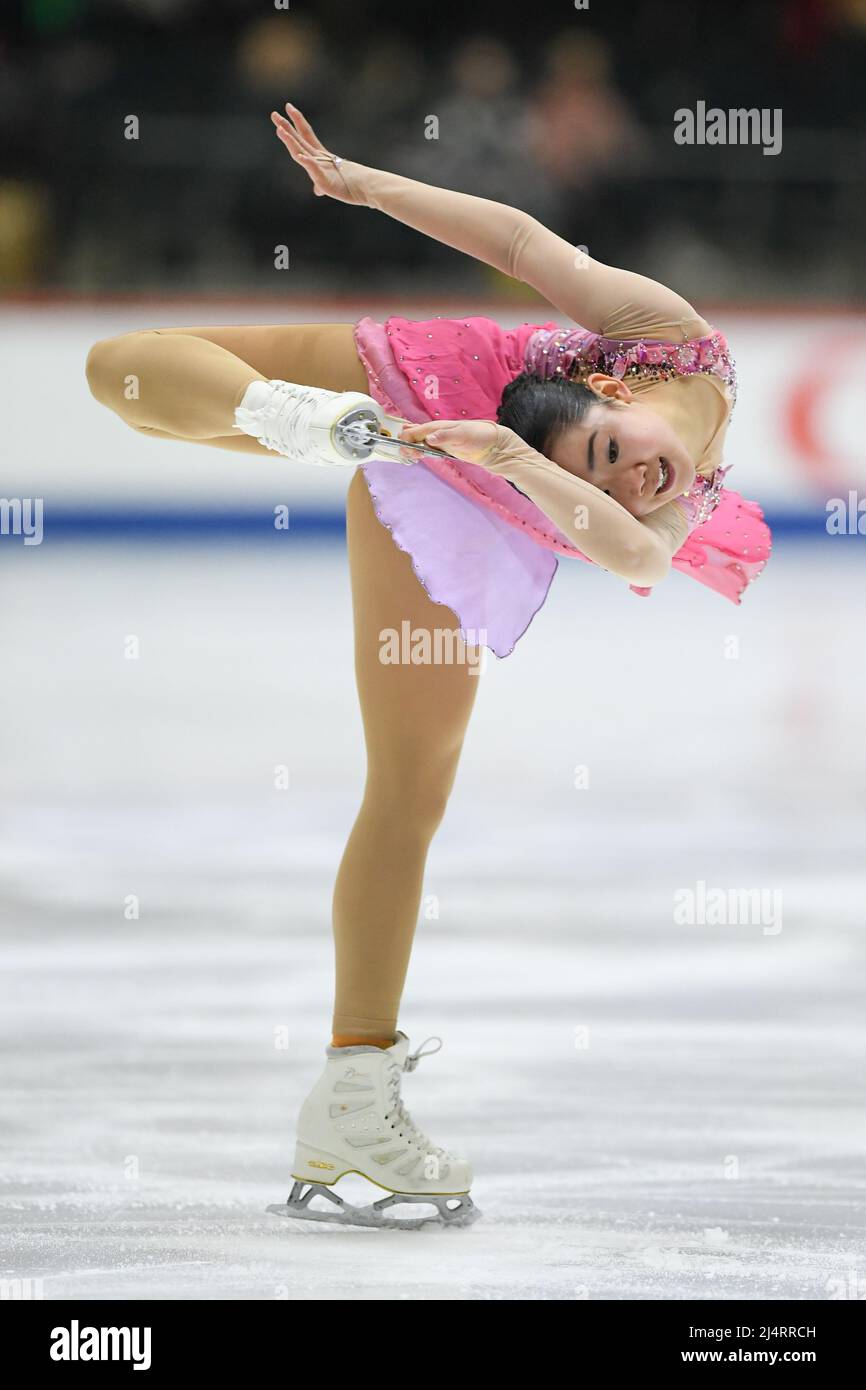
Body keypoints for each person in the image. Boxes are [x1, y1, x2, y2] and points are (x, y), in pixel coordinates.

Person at [85, 104, 770, 1229]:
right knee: (127, 379)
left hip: (498, 479)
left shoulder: (652, 425)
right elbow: (514, 250)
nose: (635, 475)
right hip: (421, 403)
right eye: (612, 459)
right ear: (598, 392)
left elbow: (633, 548)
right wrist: (366, 197)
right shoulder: (645, 369)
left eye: (621, 465)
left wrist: (529, 467)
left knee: (410, 790)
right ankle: (292, 418)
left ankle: (352, 1090)